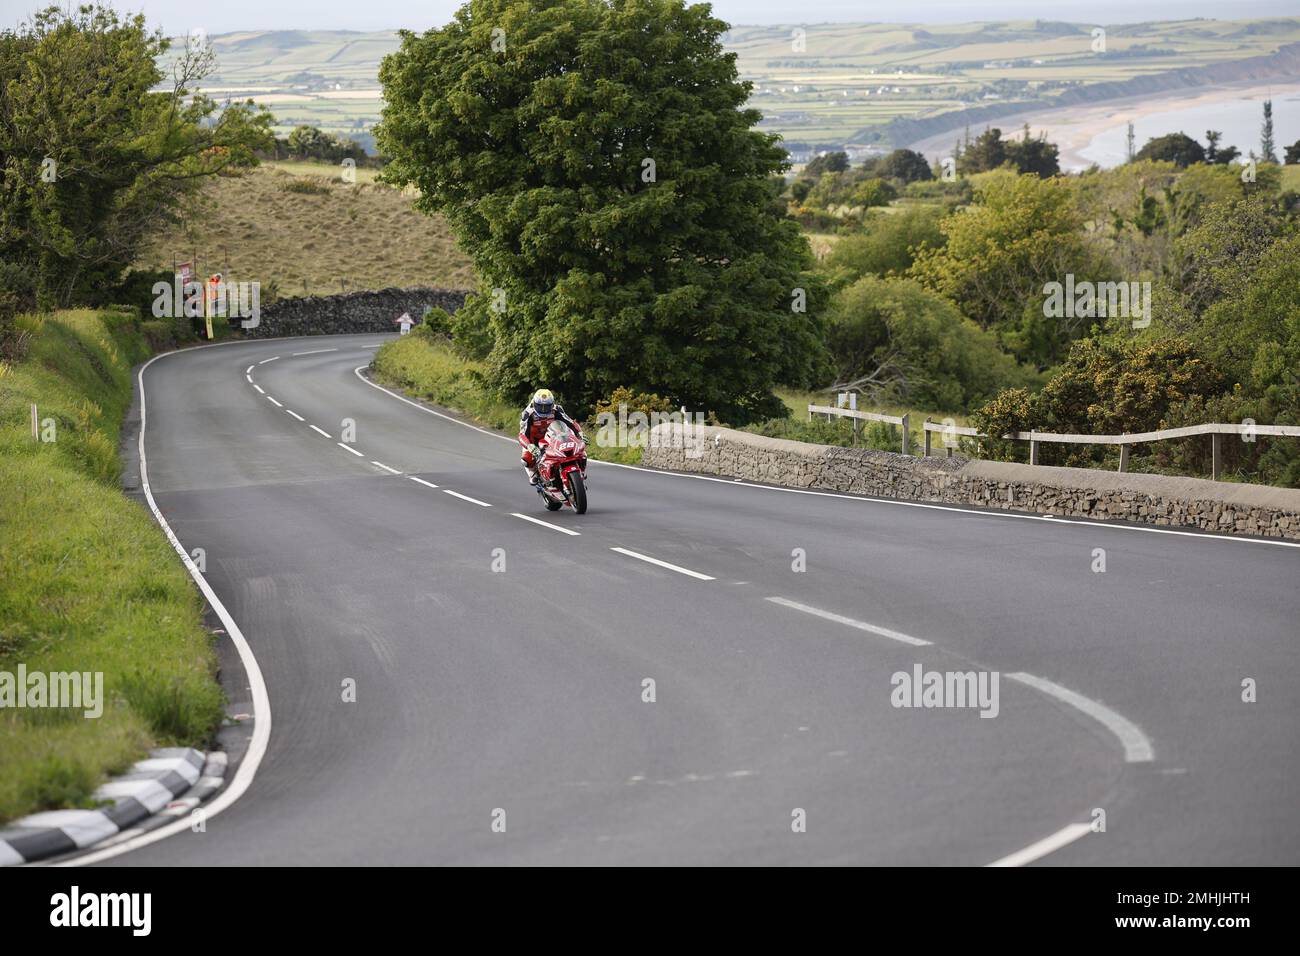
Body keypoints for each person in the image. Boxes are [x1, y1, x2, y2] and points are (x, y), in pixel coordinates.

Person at [518, 388, 583, 488]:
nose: (544, 410)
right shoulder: (527, 413)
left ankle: (579, 470)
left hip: (554, 436)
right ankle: (533, 474)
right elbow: (522, 434)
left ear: (552, 404)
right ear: (535, 403)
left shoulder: (557, 409)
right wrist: (529, 446)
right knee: (526, 460)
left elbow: (570, 422)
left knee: (578, 449)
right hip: (533, 441)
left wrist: (580, 433)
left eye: (547, 406)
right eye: (540, 406)